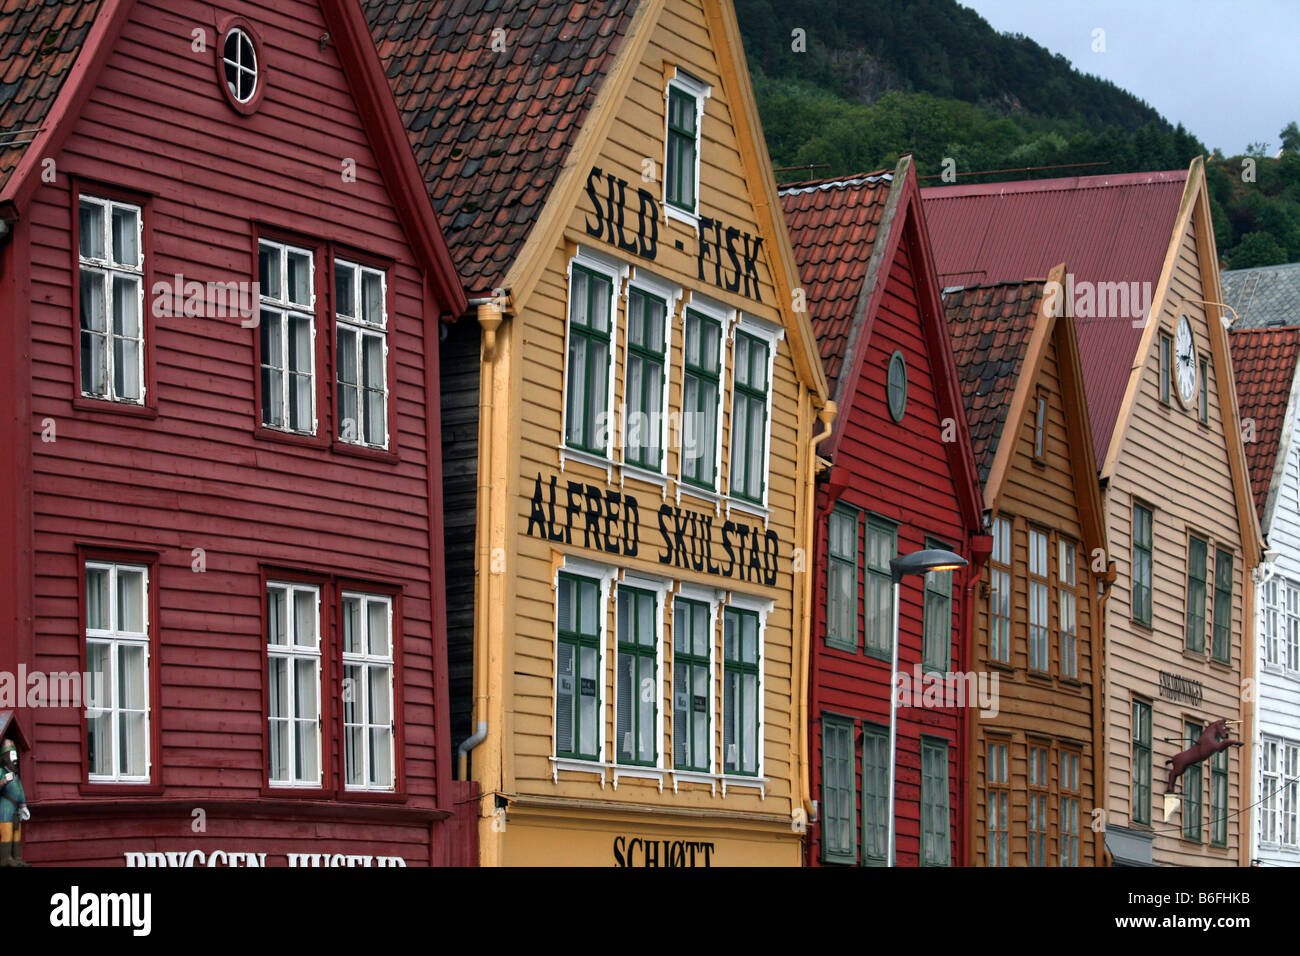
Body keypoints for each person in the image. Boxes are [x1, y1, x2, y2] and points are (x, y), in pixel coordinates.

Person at [0, 739, 30, 867]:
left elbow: (20, 790)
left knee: (16, 833)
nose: (15, 758)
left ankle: (17, 857)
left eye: (16, 755)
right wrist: (3, 782)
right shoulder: (2, 772)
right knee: (7, 832)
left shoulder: (15, 775)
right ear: (6, 757)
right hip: (6, 808)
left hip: (16, 809)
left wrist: (24, 806)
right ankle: (6, 858)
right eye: (12, 755)